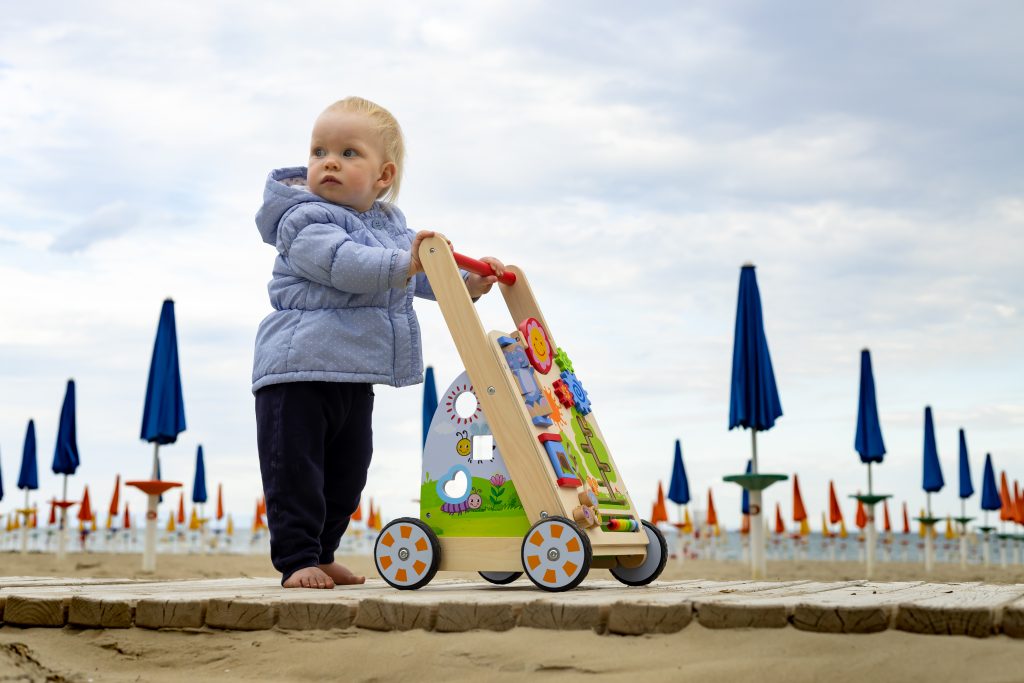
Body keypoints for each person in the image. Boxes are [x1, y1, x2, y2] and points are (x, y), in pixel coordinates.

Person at [252, 97, 504, 588]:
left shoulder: (388, 229)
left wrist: (468, 283)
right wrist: (406, 263)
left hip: (352, 372)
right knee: (296, 470)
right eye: (319, 150)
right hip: (297, 369)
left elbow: (420, 277)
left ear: (382, 176)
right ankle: (297, 558)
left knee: (349, 471)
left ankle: (323, 551)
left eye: (349, 153)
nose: (329, 161)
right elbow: (346, 265)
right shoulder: (304, 220)